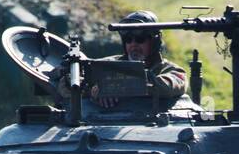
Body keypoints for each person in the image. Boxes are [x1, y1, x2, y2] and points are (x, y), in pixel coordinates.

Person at [52, 11, 187, 108]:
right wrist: (91, 89)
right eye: (128, 40)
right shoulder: (108, 65)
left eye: (140, 39)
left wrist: (114, 86)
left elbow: (167, 86)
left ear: (154, 42)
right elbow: (70, 78)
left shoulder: (171, 70)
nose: (133, 44)